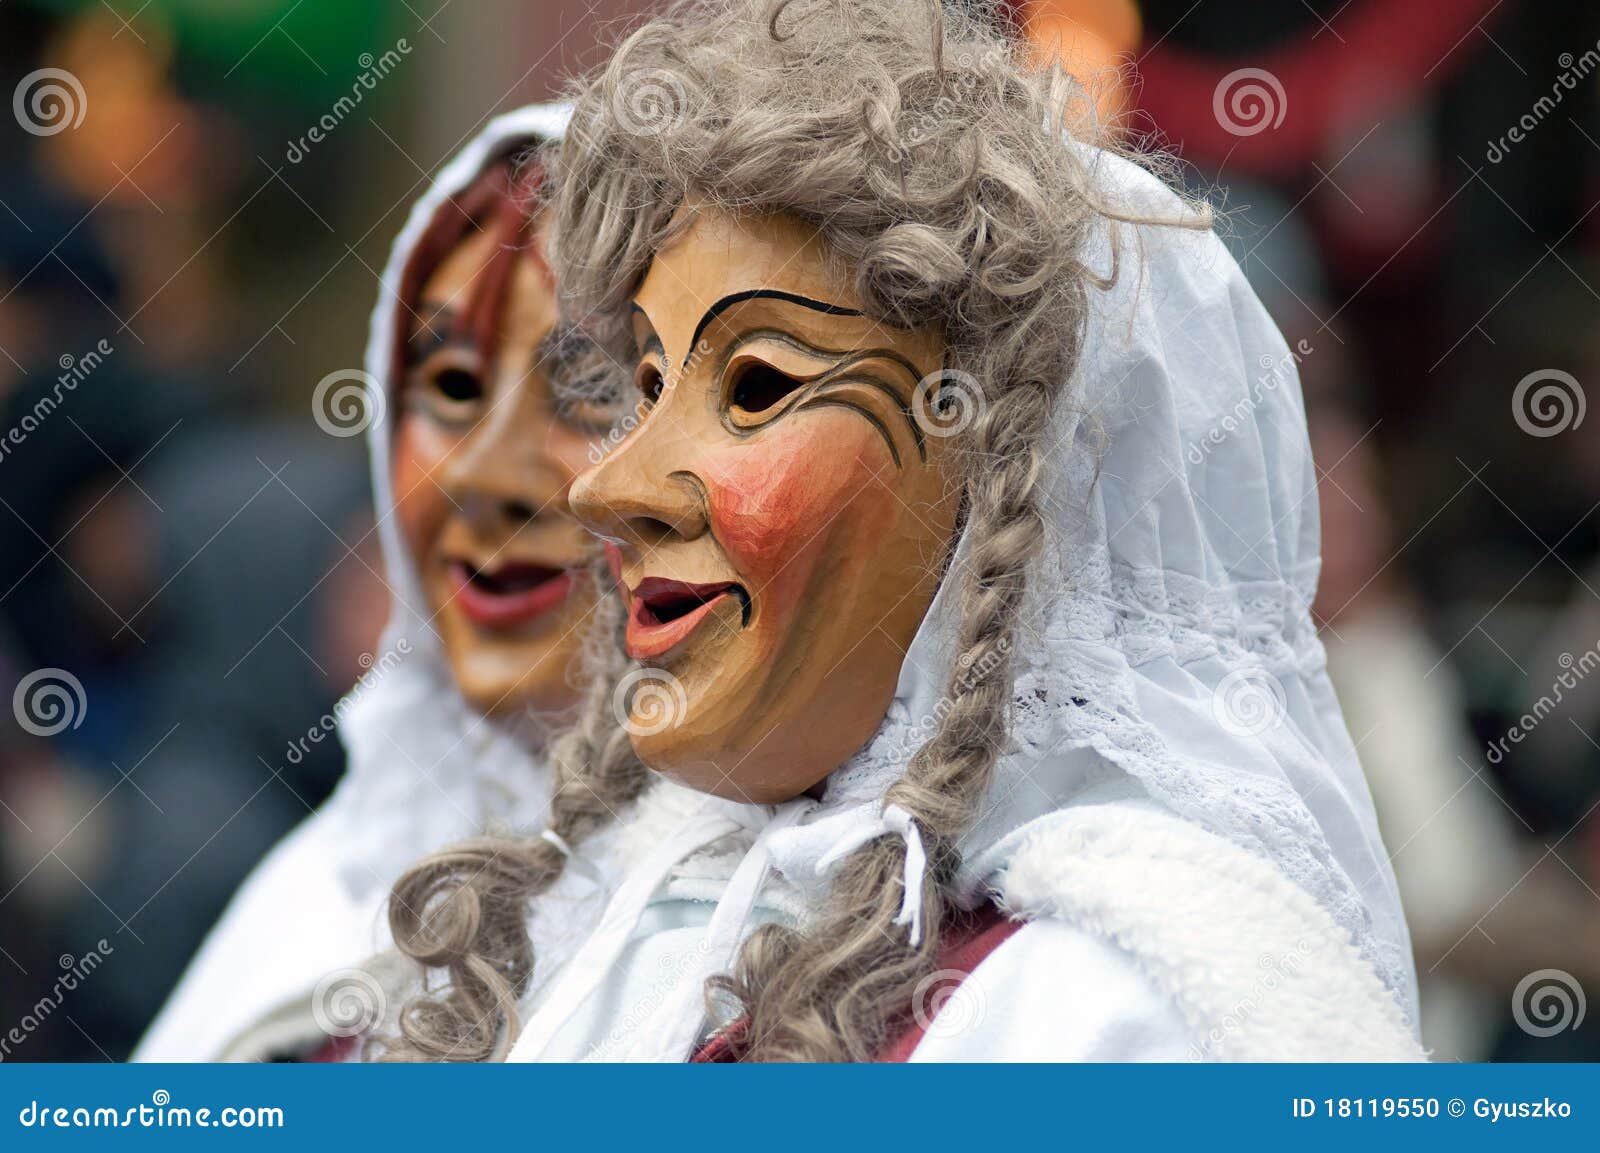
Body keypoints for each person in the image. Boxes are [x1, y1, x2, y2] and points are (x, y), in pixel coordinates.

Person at [376, 0, 1422, 1062]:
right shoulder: (633, 919)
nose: (608, 484)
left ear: (1010, 490)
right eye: (645, 385)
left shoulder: (1090, 1020)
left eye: (754, 383)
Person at [135, 106, 621, 1060]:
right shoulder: (318, 892)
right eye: (449, 386)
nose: (483, 471)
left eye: (595, 387)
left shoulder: (804, 934)